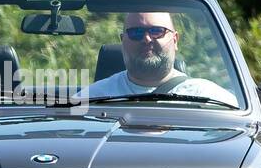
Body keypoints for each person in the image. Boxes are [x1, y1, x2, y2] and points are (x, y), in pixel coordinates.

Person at [81, 11, 238, 105]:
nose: (147, 39)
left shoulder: (209, 99)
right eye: (136, 32)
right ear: (123, 41)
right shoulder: (92, 98)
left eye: (157, 31)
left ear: (175, 40)